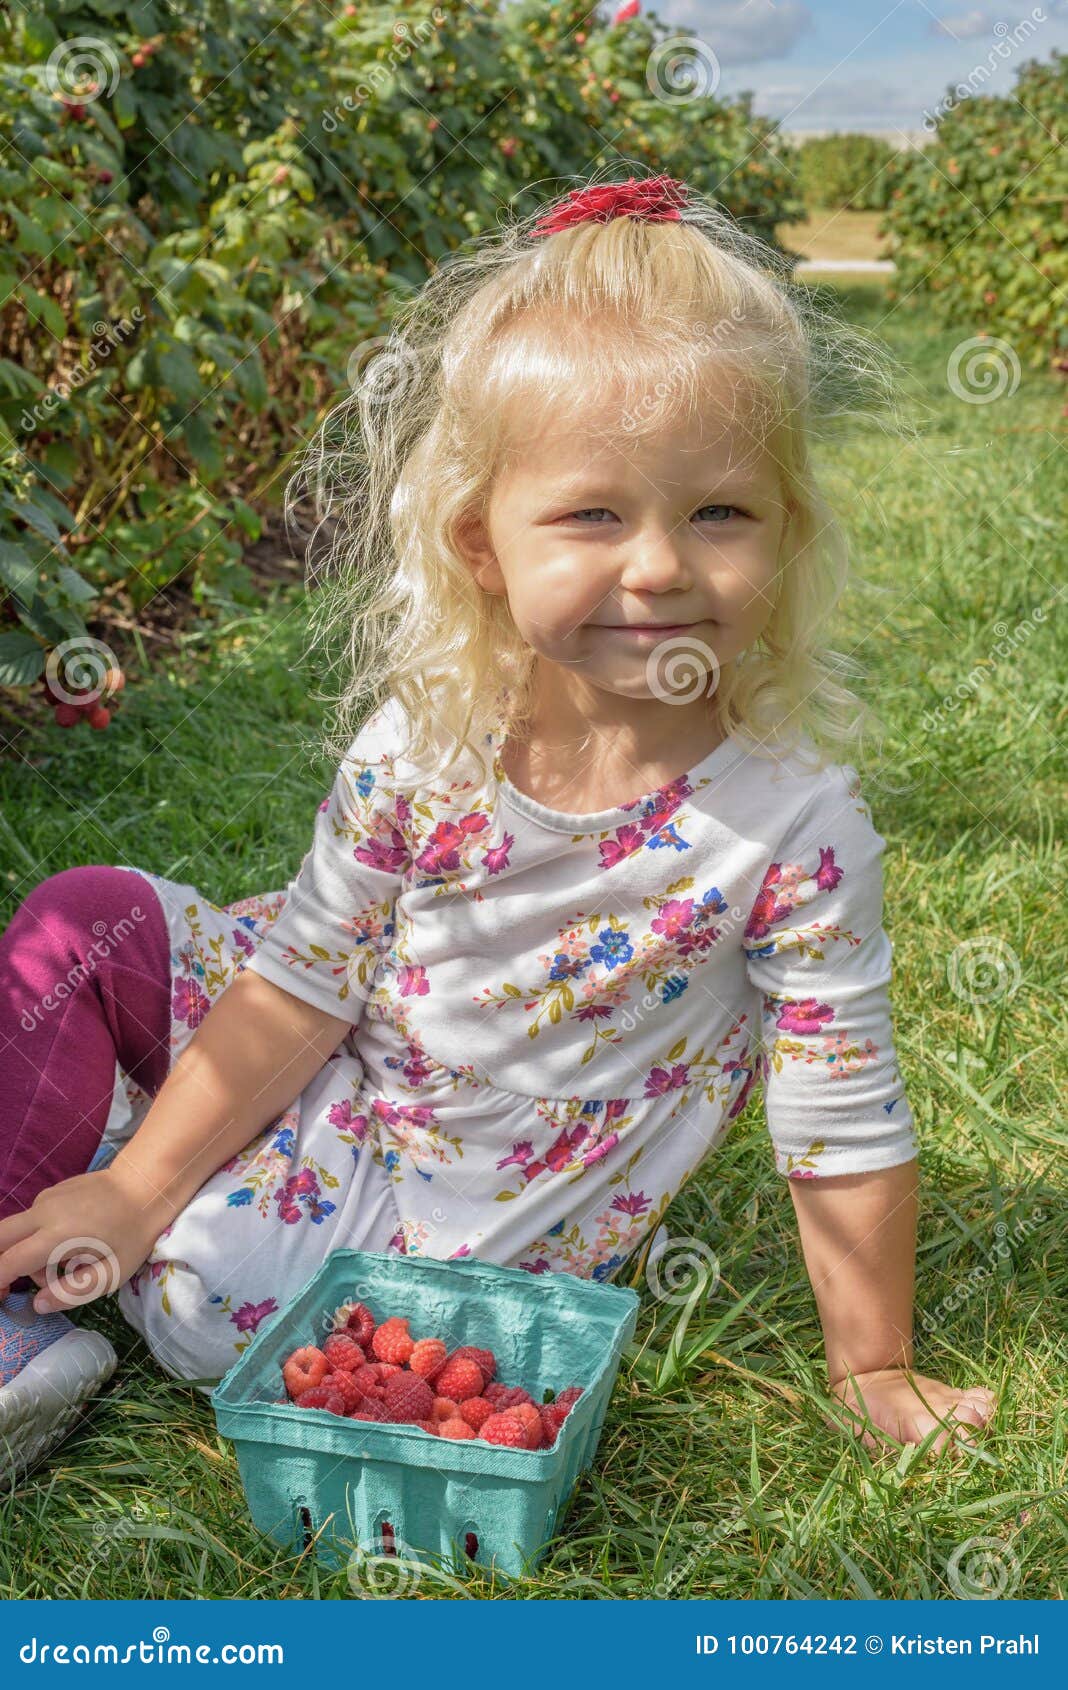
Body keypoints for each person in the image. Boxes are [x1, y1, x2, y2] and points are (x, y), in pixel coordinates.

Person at [0, 173, 995, 1478]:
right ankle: (64, 1248)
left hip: (416, 1235)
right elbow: (304, 988)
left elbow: (840, 1109)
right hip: (365, 1107)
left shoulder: (777, 828)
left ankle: (80, 1222)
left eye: (720, 511)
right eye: (594, 513)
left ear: (788, 535)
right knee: (117, 931)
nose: (660, 565)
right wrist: (143, 1185)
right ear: (482, 544)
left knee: (205, 1258)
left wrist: (872, 1366)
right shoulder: (445, 749)